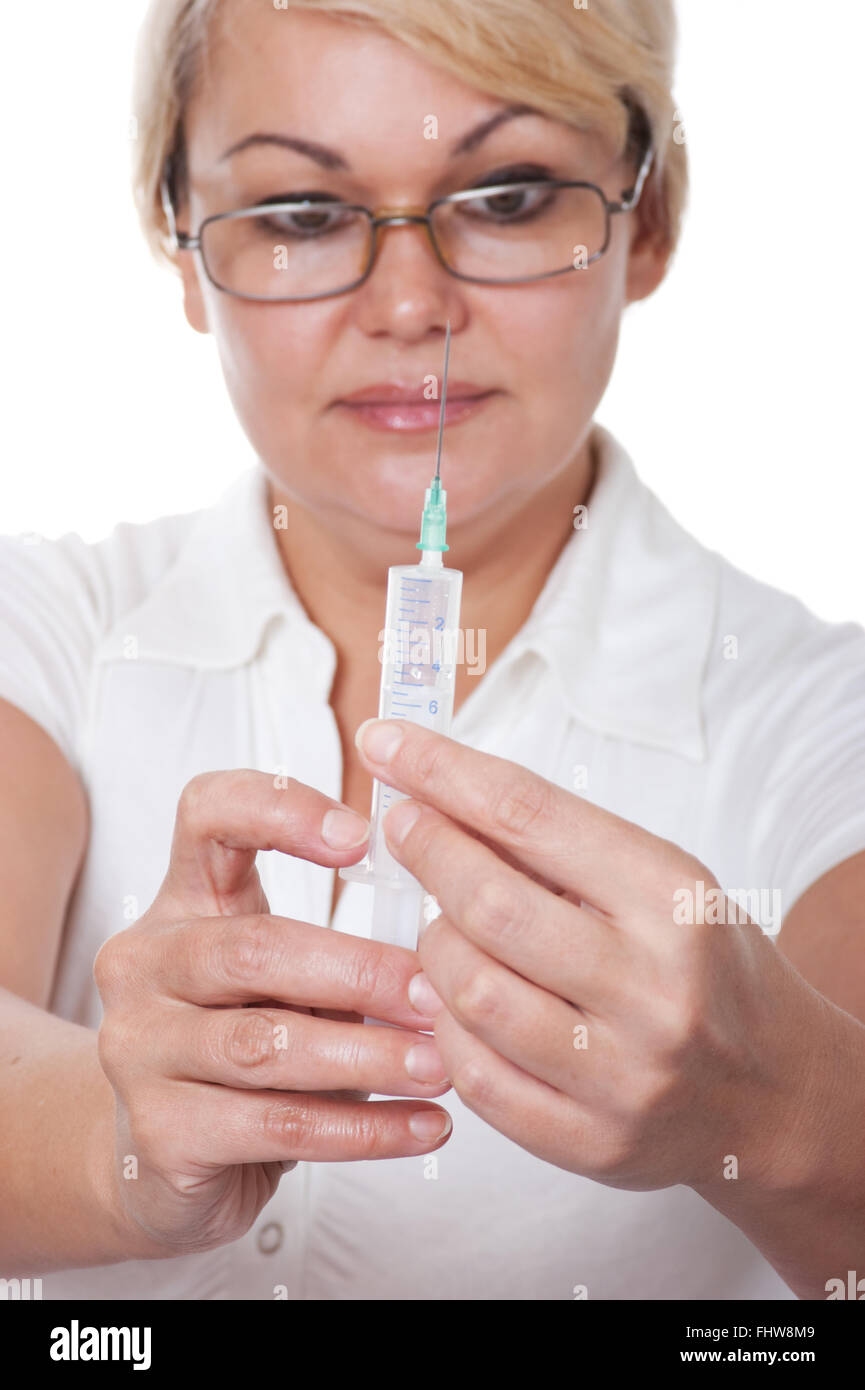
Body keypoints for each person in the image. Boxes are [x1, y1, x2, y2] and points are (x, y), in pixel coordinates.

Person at [1, 0, 864, 1302]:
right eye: (299, 213)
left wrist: (780, 1105)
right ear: (181, 243)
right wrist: (119, 1133)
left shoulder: (818, 728)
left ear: (650, 215)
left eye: (507, 196)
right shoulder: (53, 632)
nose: (411, 304)